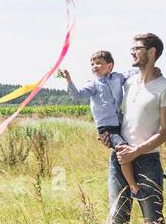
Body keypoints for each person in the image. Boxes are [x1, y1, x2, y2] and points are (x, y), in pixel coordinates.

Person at [103, 33, 166, 224]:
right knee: (117, 216)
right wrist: (108, 134)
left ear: (152, 52)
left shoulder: (165, 87)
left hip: (147, 161)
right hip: (119, 158)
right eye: (132, 49)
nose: (132, 52)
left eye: (137, 48)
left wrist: (136, 151)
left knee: (153, 219)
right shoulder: (127, 83)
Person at [57, 51, 139, 196]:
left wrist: (152, 69)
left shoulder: (118, 77)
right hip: (107, 127)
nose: (95, 66)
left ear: (109, 66)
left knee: (136, 144)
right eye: (92, 64)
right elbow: (77, 95)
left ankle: (148, 173)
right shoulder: (93, 84)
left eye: (99, 63)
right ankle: (133, 186)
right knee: (122, 149)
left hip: (120, 122)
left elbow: (133, 71)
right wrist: (68, 79)